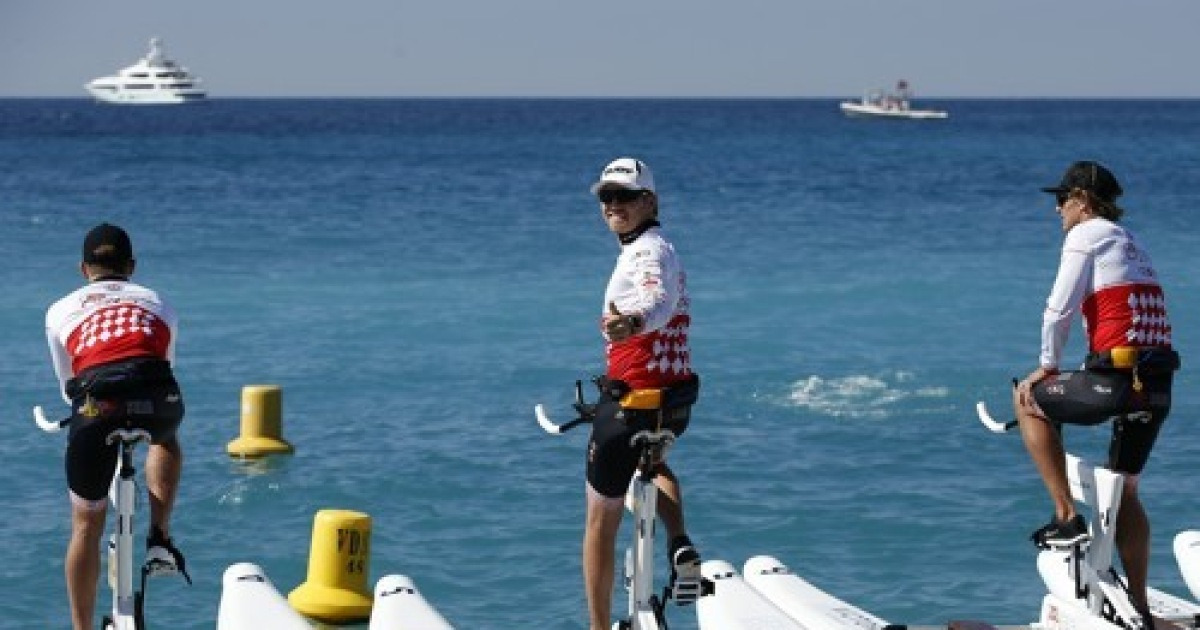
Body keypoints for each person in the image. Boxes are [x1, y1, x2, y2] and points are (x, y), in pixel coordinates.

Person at [1012, 161, 1179, 624]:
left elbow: (1058, 309)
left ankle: (1066, 516)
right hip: (1158, 388)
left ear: (1083, 201)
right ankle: (1142, 608)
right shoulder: (1135, 243)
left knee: (1027, 401)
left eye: (1061, 200)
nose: (1058, 210)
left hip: (1118, 383)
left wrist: (1045, 370)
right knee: (1124, 489)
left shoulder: (1086, 235)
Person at [45, 223, 190, 630]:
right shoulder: (157, 301)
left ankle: (81, 627)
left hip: (97, 404)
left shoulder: (60, 309)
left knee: (86, 524)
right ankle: (159, 537)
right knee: (165, 438)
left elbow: (68, 386)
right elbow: (164, 363)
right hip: (158, 397)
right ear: (131, 266)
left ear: (83, 268)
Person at [582, 157, 703, 629]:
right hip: (672, 406)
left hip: (633, 403)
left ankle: (596, 627)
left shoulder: (648, 252)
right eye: (607, 198)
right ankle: (679, 543)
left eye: (625, 197)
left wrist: (629, 323)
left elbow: (656, 301)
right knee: (654, 467)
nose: (614, 206)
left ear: (649, 201)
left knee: (599, 521)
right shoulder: (660, 249)